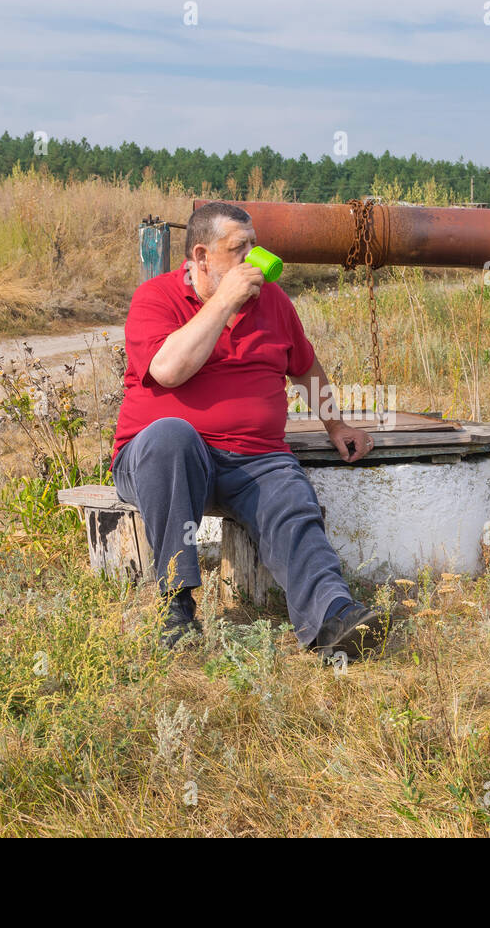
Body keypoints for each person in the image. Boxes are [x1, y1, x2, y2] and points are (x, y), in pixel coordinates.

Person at [111, 201, 386, 658]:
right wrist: (223, 301)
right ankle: (174, 610)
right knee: (171, 436)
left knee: (292, 503)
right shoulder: (156, 299)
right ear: (201, 257)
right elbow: (168, 370)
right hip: (162, 462)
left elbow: (304, 366)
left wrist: (335, 423)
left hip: (253, 458)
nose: (252, 258)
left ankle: (334, 617)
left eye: (255, 245)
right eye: (239, 249)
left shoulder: (273, 302)